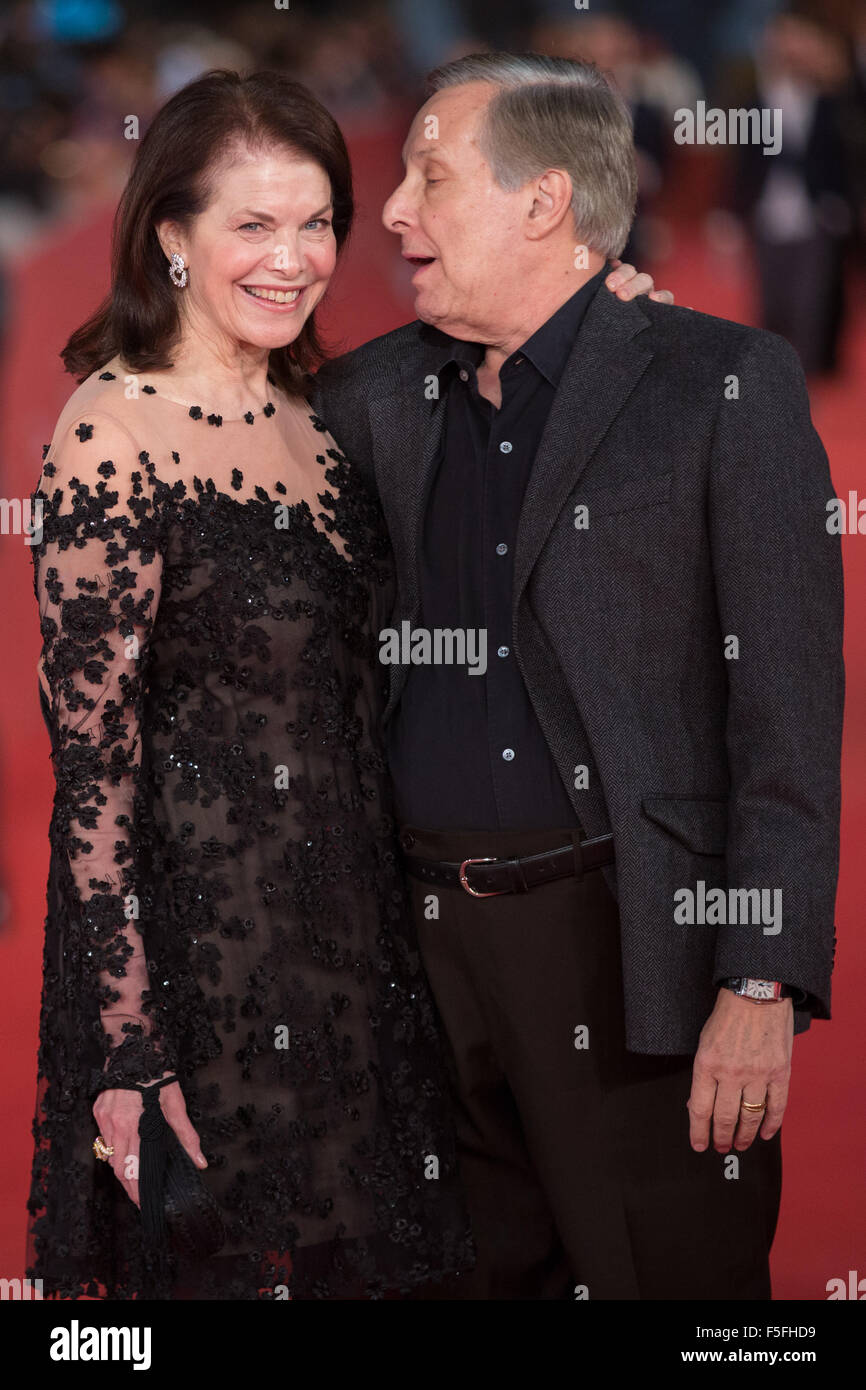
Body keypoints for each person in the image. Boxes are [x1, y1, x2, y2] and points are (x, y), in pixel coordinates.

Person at [26, 65, 662, 1302]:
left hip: (367, 953)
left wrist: (612, 306)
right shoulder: (111, 432)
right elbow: (93, 777)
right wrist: (127, 1044)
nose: (294, 259)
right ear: (170, 234)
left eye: (316, 221)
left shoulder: (331, 411)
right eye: (252, 225)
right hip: (206, 972)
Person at [312, 53, 845, 1299]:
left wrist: (757, 977)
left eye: (427, 178)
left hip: (632, 955)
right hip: (422, 969)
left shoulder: (720, 384)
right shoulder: (369, 395)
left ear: (544, 202)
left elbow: (785, 713)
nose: (388, 213)